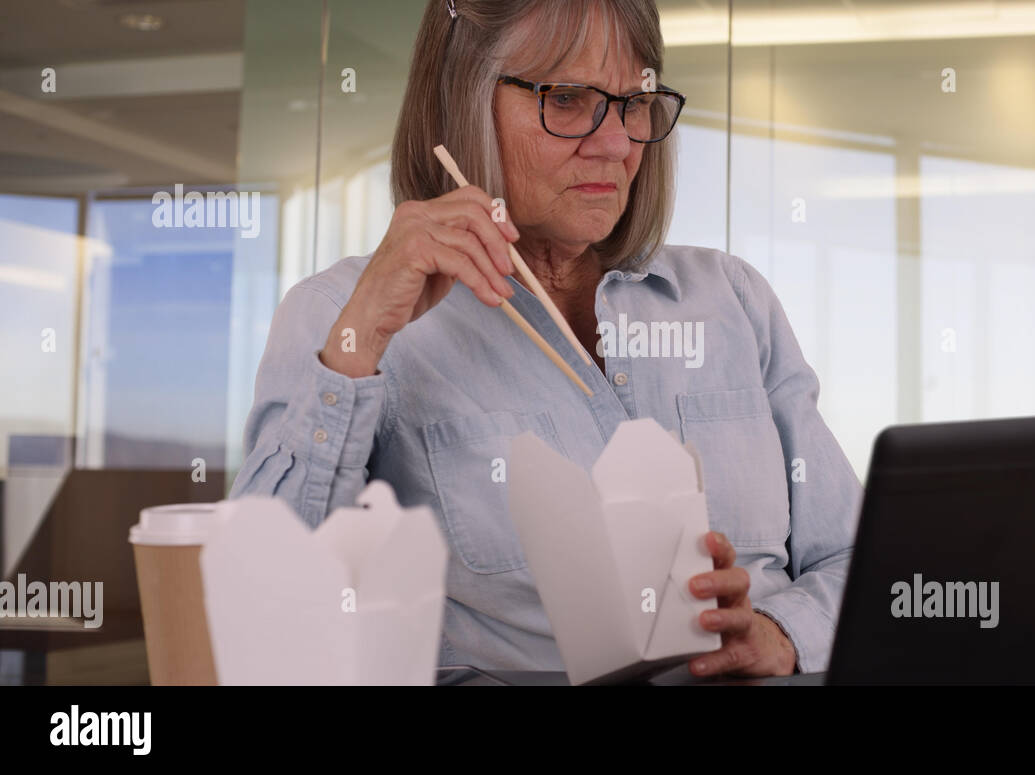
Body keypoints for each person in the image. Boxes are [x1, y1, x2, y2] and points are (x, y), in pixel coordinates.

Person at [230, 0, 859, 679]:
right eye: (566, 98)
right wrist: (360, 345)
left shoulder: (733, 299)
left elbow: (859, 559)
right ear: (460, 102)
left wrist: (781, 629)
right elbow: (261, 620)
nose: (617, 143)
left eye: (635, 102)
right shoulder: (345, 316)